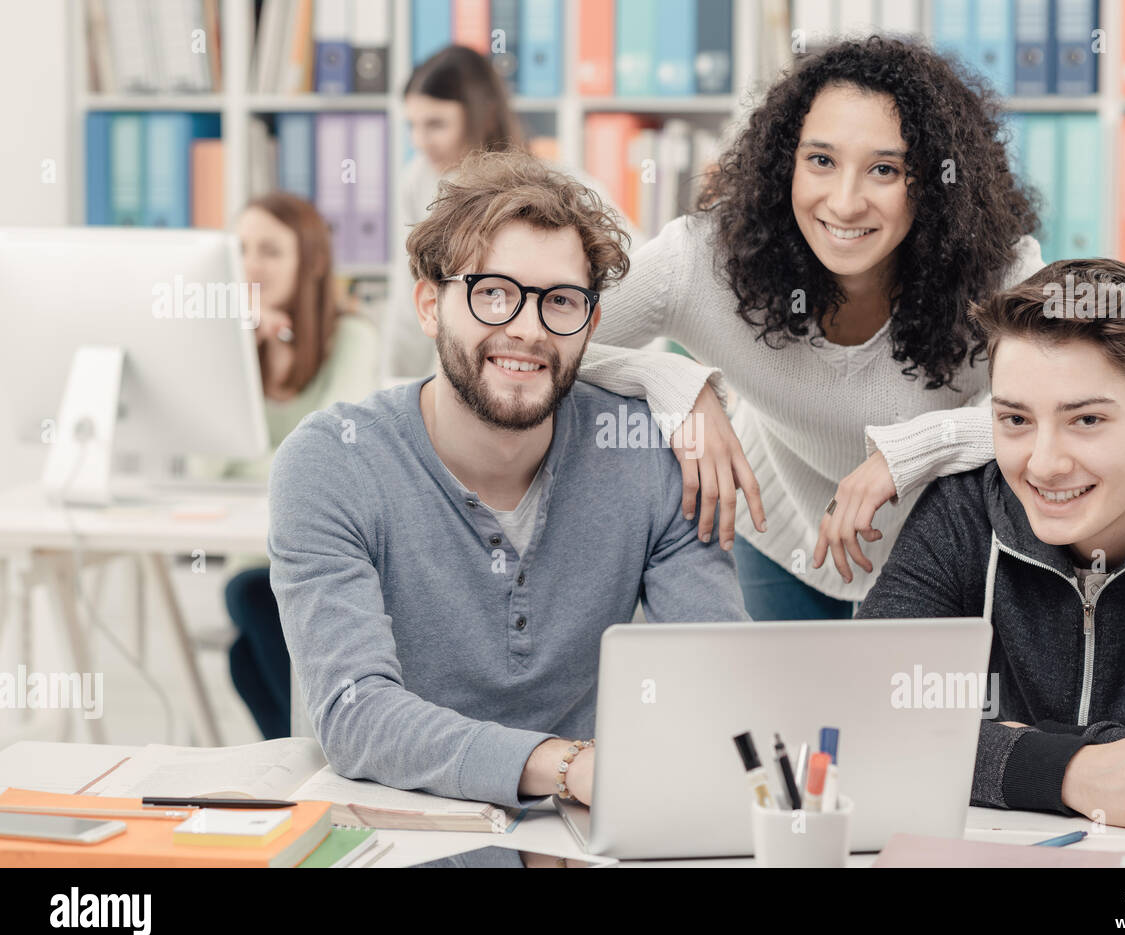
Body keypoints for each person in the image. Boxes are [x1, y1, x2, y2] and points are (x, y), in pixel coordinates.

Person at [267, 150, 747, 808]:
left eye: (560, 301)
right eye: (493, 293)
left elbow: (713, 682)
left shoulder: (654, 455)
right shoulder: (331, 462)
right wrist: (563, 765)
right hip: (397, 839)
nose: (527, 328)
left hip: (581, 843)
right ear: (430, 306)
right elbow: (358, 715)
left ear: (592, 326)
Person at [573, 35, 1045, 620]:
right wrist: (673, 384)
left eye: (885, 169)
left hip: (934, 549)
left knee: (907, 712)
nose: (845, 203)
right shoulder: (702, 261)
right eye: (821, 160)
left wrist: (907, 456)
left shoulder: (1001, 274)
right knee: (772, 710)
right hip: (771, 533)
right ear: (784, 164)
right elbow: (541, 344)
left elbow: (1045, 410)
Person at [855, 258, 1125, 829]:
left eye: (1086, 420)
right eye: (1016, 420)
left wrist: (1028, 753)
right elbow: (866, 716)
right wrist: (1071, 773)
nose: (1044, 464)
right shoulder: (961, 514)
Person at [202, 193, 379, 740]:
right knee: (244, 650)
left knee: (252, 605)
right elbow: (204, 469)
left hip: (321, 561)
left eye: (270, 251)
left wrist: (252, 464)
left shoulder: (353, 338)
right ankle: (315, 760)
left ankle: (326, 750)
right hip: (254, 556)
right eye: (242, 248)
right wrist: (236, 359)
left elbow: (321, 462)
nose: (251, 265)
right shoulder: (228, 347)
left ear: (310, 261)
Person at [388, 44, 641, 378]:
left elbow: (639, 271)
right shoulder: (418, 180)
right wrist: (393, 387)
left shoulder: (559, 187)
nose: (419, 141)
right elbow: (407, 306)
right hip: (449, 376)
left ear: (482, 116)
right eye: (412, 125)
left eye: (436, 124)